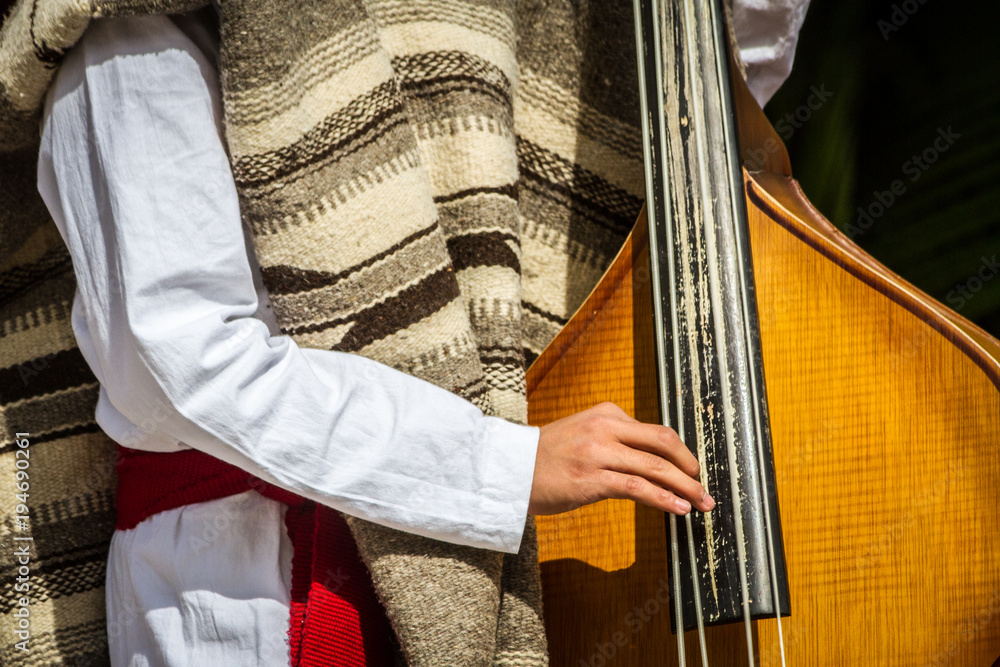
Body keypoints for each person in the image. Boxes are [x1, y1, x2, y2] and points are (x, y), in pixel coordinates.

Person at [2, 0, 808, 664]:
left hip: (503, 558)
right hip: (250, 585)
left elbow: (722, 79)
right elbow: (179, 361)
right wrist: (503, 466)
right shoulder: (120, 32)